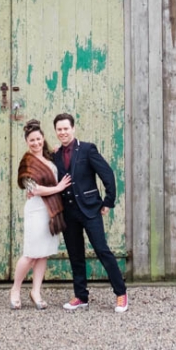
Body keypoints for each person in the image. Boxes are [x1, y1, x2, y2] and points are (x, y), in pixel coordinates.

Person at [51, 112, 129, 312]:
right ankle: (81, 296)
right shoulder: (55, 155)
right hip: (68, 212)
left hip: (90, 209)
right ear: (56, 131)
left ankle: (121, 293)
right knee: (75, 254)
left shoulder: (87, 149)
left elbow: (107, 174)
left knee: (102, 250)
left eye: (66, 128)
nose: (63, 132)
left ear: (73, 128)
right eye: (59, 129)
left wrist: (108, 201)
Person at [9, 119, 71, 310]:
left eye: (38, 139)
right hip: (36, 210)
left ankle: (36, 292)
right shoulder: (27, 162)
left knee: (43, 254)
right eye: (32, 140)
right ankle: (15, 289)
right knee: (30, 254)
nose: (36, 143)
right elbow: (33, 189)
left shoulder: (50, 157)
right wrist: (58, 188)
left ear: (43, 139)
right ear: (27, 142)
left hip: (51, 211)